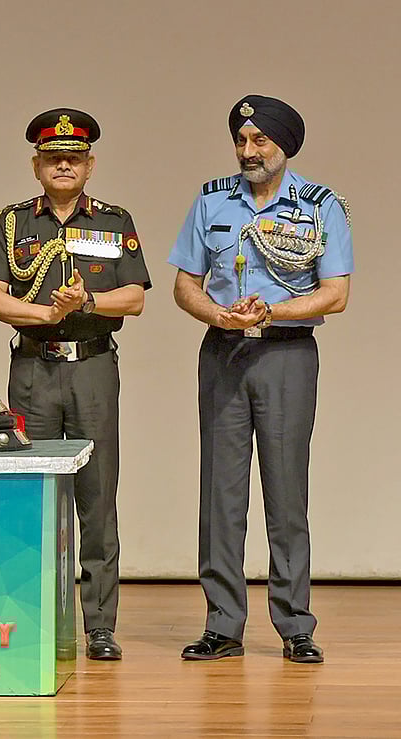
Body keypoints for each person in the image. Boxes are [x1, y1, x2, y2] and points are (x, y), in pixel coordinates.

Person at [169, 95, 352, 664]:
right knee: (220, 494)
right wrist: (218, 315)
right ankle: (223, 624)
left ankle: (295, 624)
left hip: (286, 356)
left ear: (285, 147)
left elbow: (336, 294)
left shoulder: (320, 205)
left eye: (259, 143)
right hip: (223, 351)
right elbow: (184, 284)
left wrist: (273, 313)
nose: (248, 152)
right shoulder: (211, 200)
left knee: (286, 491)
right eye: (241, 142)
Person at [0, 109, 151, 660]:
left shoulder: (113, 221)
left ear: (89, 165)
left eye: (73, 158)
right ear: (36, 165)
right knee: (33, 494)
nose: (63, 165)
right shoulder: (13, 223)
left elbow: (136, 298)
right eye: (54, 158)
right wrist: (43, 316)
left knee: (97, 497)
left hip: (92, 369)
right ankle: (32, 617)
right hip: (33, 368)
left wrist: (88, 304)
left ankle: (99, 626)